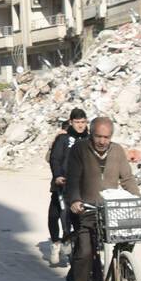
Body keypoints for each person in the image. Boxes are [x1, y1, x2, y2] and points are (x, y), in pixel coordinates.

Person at [65, 115, 140, 281]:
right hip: (85, 210)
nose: (102, 141)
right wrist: (75, 200)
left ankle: (122, 268)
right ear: (91, 134)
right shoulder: (79, 149)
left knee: (130, 234)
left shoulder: (117, 151)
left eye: (106, 137)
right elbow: (72, 181)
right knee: (85, 252)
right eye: (98, 136)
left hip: (110, 210)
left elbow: (127, 179)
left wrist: (135, 199)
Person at [48, 108, 89, 267]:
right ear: (71, 122)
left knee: (75, 218)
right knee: (55, 215)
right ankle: (55, 243)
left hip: (81, 186)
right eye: (77, 122)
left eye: (83, 122)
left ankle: (69, 241)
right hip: (62, 184)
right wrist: (57, 175)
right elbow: (55, 159)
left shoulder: (89, 139)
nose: (80, 125)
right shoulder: (63, 139)